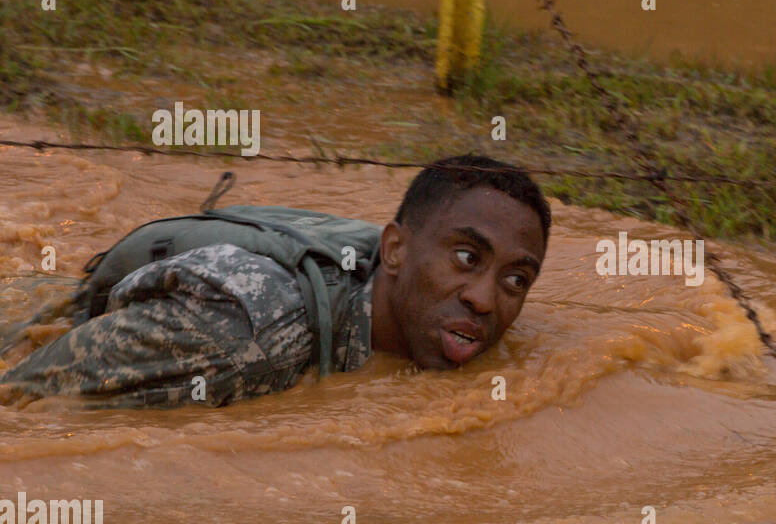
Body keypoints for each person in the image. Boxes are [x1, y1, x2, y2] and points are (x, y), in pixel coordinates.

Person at [0, 154, 550, 408]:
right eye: (466, 257)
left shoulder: (413, 299)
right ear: (396, 249)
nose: (484, 299)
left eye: (515, 280)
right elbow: (27, 392)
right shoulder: (249, 335)